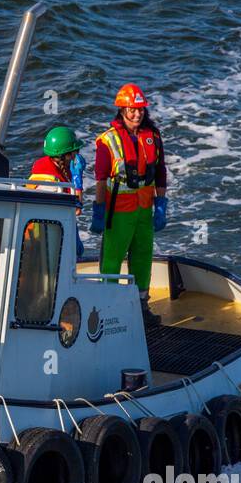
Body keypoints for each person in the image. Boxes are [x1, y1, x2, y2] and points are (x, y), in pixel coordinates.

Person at [89, 83, 169, 324]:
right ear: (122, 110)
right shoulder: (107, 141)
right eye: (132, 110)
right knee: (112, 261)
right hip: (118, 213)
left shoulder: (153, 137)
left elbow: (161, 172)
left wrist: (162, 204)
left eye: (140, 110)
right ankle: (110, 310)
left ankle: (141, 308)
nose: (137, 114)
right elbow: (101, 179)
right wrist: (99, 211)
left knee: (143, 257)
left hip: (144, 211)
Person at [28, 126, 86, 259]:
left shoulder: (47, 167)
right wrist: (77, 179)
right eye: (74, 152)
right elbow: (76, 210)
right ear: (63, 155)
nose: (76, 155)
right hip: (46, 240)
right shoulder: (52, 186)